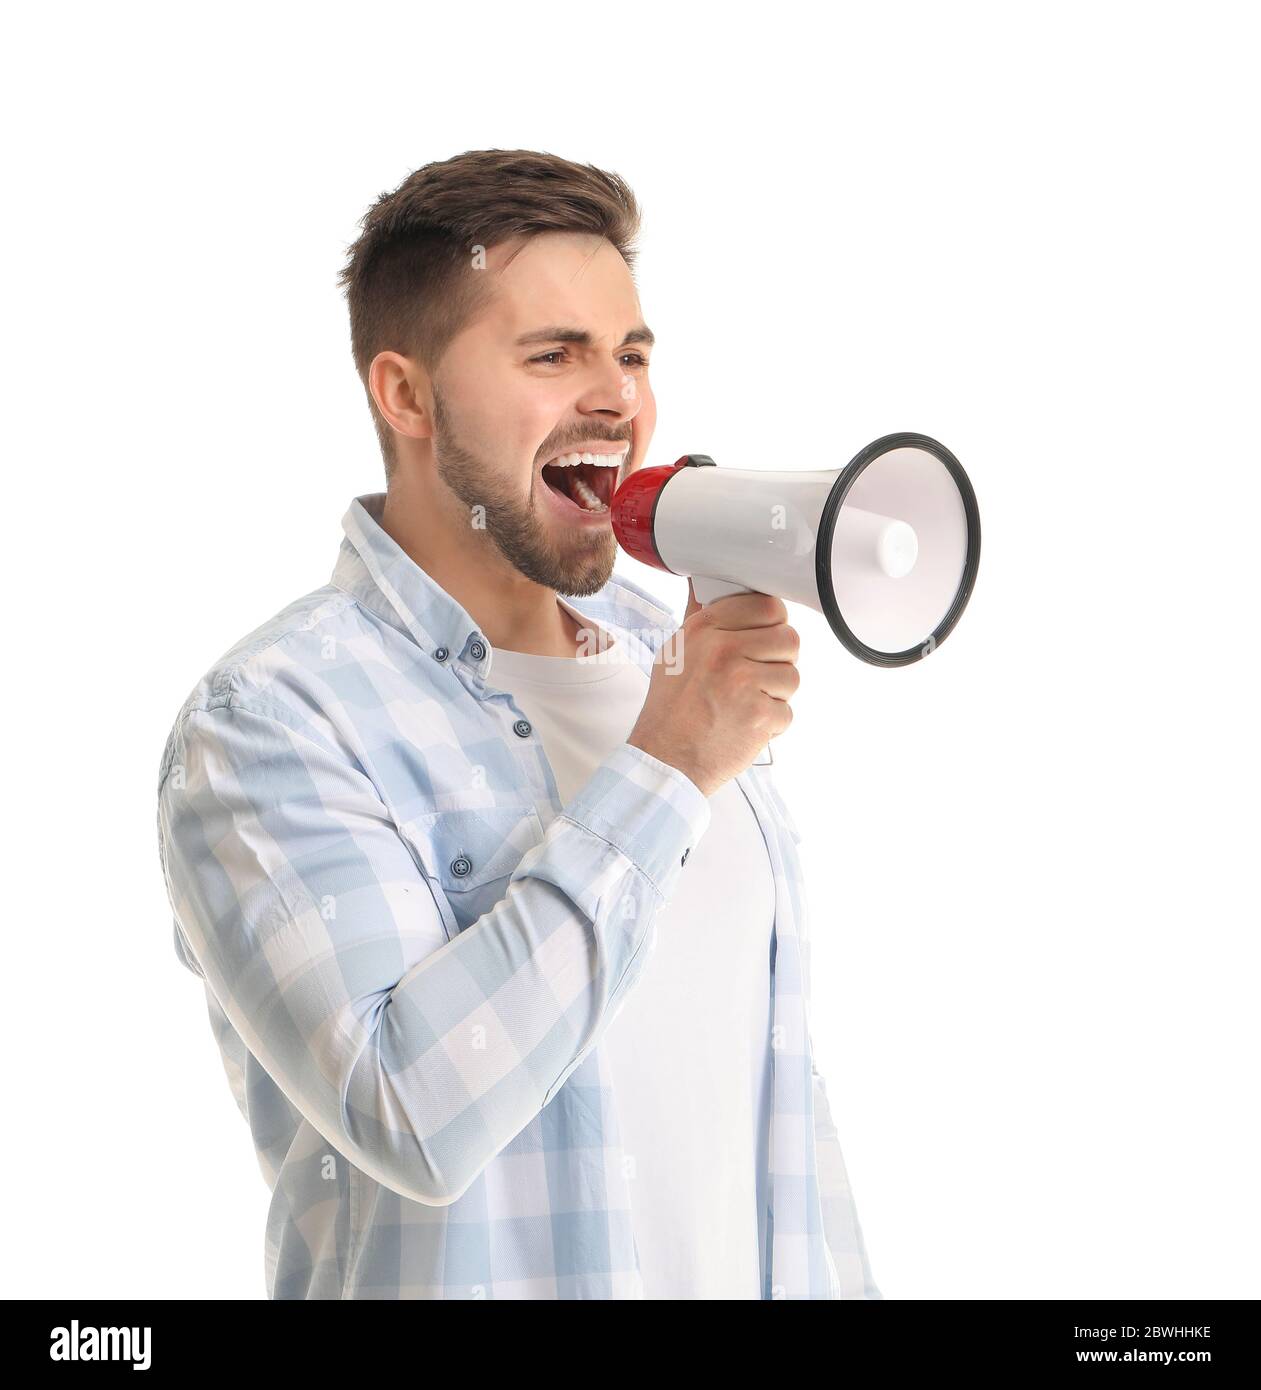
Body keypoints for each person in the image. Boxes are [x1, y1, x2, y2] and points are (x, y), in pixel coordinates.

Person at [156, 148, 880, 1300]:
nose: (618, 397)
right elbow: (410, 1111)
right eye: (554, 354)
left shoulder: (671, 656)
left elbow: (770, 1109)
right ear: (406, 395)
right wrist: (670, 764)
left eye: (632, 353)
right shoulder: (270, 722)